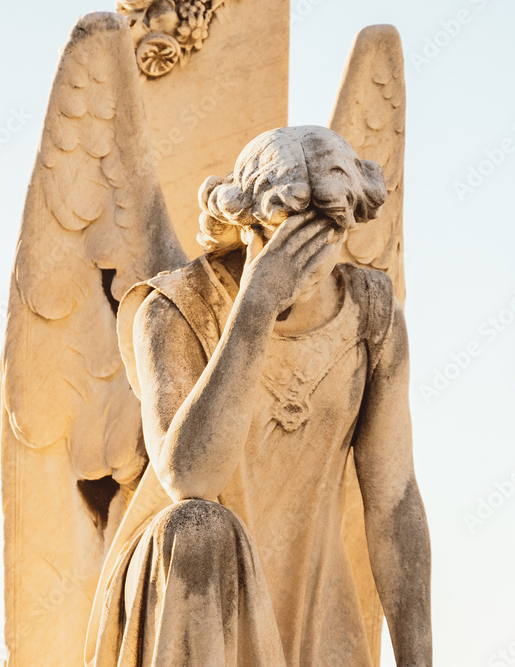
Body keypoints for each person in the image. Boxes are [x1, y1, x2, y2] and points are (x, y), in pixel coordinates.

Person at [86, 126, 432, 666]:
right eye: (287, 233)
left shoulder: (372, 313)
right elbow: (190, 477)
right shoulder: (175, 307)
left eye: (328, 231)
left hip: (314, 595)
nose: (310, 257)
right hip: (185, 578)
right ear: (246, 223)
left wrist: (420, 660)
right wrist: (257, 304)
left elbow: (394, 500)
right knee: (199, 527)